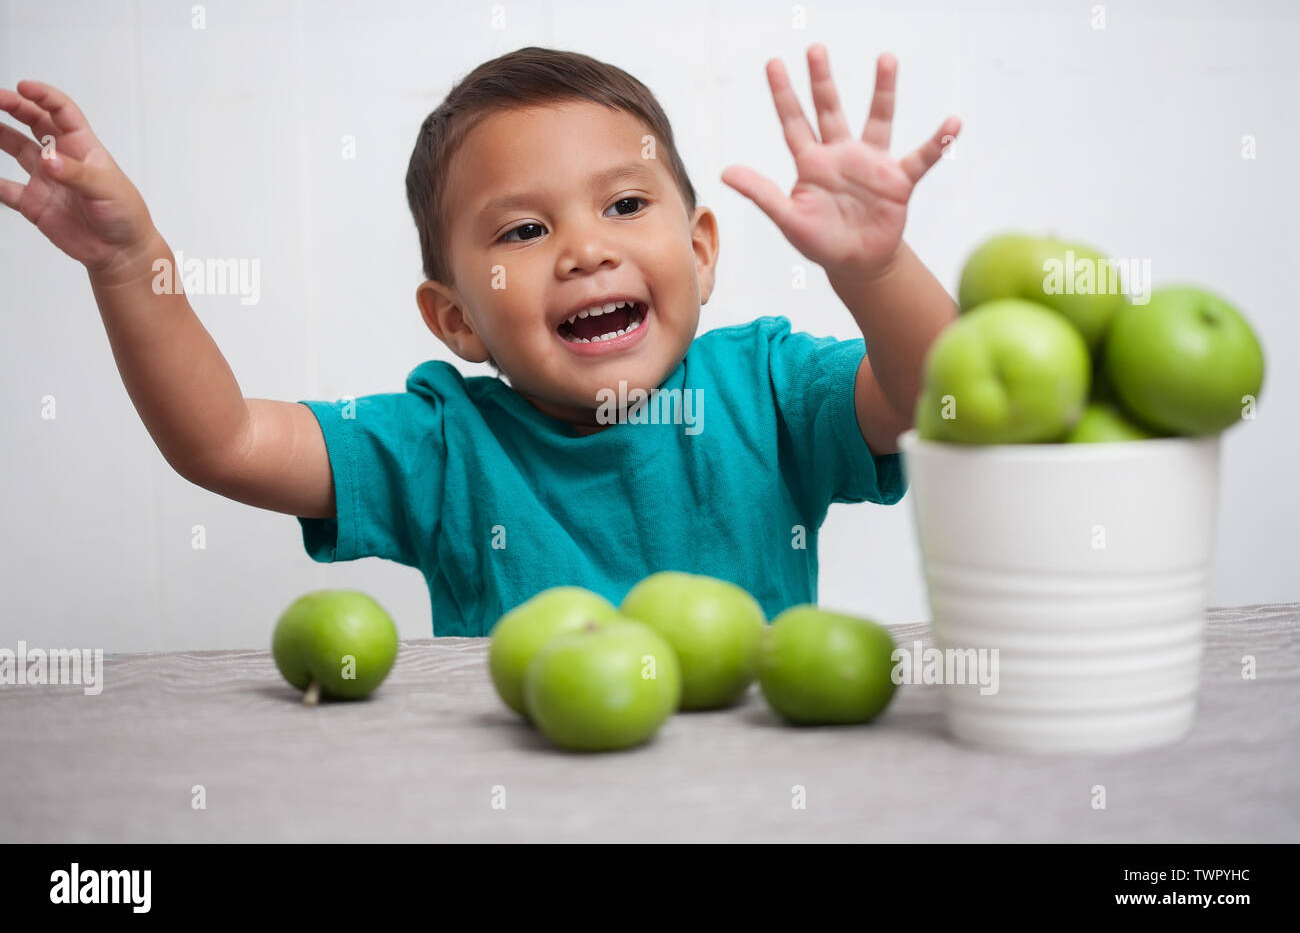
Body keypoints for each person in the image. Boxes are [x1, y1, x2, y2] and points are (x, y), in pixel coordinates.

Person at [0, 44, 961, 636]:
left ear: (701, 253)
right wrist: (131, 268)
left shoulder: (769, 388)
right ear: (457, 318)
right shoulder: (445, 447)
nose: (586, 250)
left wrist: (872, 269)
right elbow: (224, 442)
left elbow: (935, 393)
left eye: (625, 205)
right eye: (524, 231)